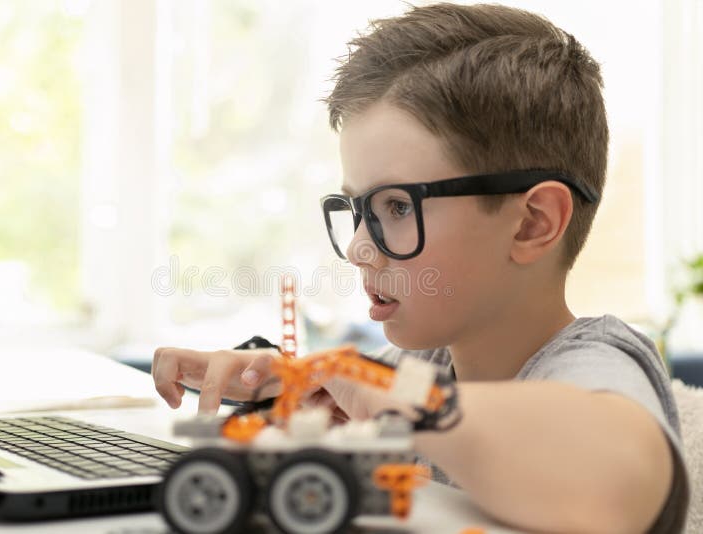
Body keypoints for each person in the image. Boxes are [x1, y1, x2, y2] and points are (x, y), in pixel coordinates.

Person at [151, 3, 689, 533]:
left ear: (531, 223)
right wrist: (283, 382)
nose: (361, 247)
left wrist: (391, 399)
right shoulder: (426, 361)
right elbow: (355, 388)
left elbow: (611, 476)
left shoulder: (594, 362)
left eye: (398, 207)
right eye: (359, 211)